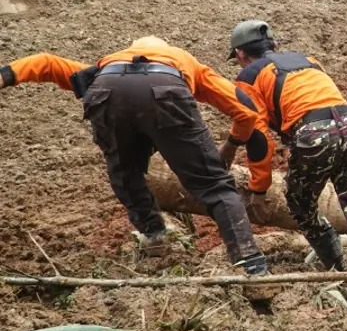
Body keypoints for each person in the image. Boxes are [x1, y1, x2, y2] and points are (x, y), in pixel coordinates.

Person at [1, 37, 270, 274]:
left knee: (125, 173)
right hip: (167, 89)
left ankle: (154, 237)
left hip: (107, 89)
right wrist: (232, 144)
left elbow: (46, 62)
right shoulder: (187, 63)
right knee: (214, 184)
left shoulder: (107, 64)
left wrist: (6, 74)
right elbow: (246, 111)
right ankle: (249, 261)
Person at [225, 21, 347, 322]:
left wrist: (258, 186)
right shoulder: (308, 61)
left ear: (240, 53)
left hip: (314, 133)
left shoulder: (247, 77)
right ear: (274, 47)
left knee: (301, 204)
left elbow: (257, 138)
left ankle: (336, 269)